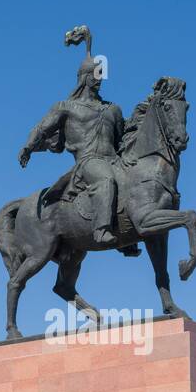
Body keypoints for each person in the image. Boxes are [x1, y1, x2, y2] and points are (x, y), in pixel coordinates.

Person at [19, 50, 126, 246]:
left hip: (114, 160)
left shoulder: (113, 110)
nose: (99, 78)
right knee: (106, 180)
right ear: (84, 77)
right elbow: (42, 128)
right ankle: (101, 230)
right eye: (95, 74)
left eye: (101, 74)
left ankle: (129, 239)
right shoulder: (66, 107)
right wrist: (28, 147)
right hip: (89, 161)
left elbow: (122, 140)